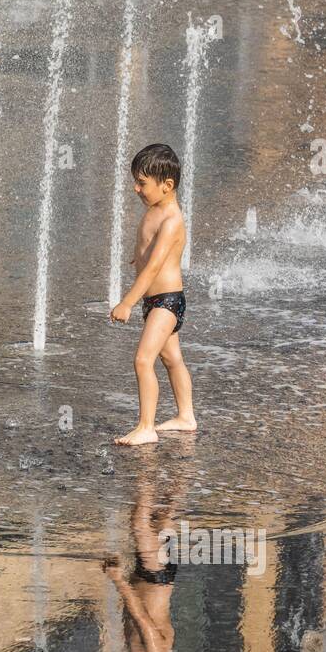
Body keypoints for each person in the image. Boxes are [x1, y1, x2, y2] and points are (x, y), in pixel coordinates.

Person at [110, 143, 197, 446]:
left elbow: (154, 268)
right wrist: (139, 256)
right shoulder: (155, 209)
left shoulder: (172, 220)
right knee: (172, 359)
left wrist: (127, 302)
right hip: (157, 301)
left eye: (142, 183)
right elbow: (148, 254)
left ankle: (146, 426)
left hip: (167, 301)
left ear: (167, 185)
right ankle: (186, 416)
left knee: (143, 360)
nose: (136, 188)